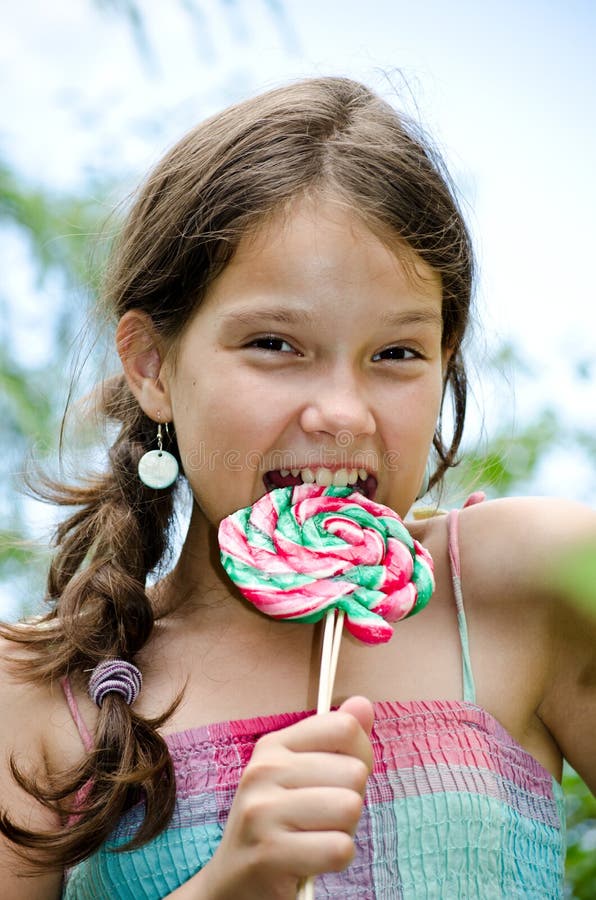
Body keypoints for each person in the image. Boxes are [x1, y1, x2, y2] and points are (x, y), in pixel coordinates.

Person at [0, 76, 594, 900]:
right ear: (151, 367)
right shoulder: (39, 694)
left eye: (397, 353)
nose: (343, 414)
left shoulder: (529, 586)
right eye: (276, 343)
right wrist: (227, 888)